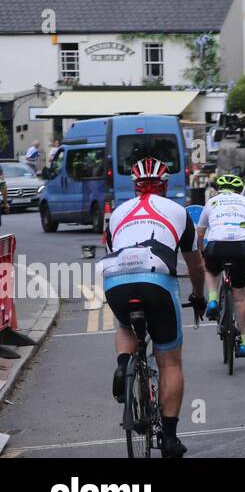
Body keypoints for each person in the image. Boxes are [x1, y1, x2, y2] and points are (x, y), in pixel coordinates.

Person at [101, 158, 205, 459]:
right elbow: (195, 264)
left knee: (124, 325)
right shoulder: (179, 212)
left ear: (134, 187)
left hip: (115, 277)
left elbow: (114, 248)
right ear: (166, 185)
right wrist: (197, 294)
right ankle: (170, 439)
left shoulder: (118, 213)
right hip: (156, 277)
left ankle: (123, 365)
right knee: (170, 362)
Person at [196, 173, 245, 358]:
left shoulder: (212, 202)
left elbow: (200, 232)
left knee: (210, 268)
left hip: (217, 244)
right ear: (238, 190)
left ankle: (213, 298)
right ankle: (244, 341)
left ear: (219, 189)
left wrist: (202, 252)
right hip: (241, 246)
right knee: (240, 297)